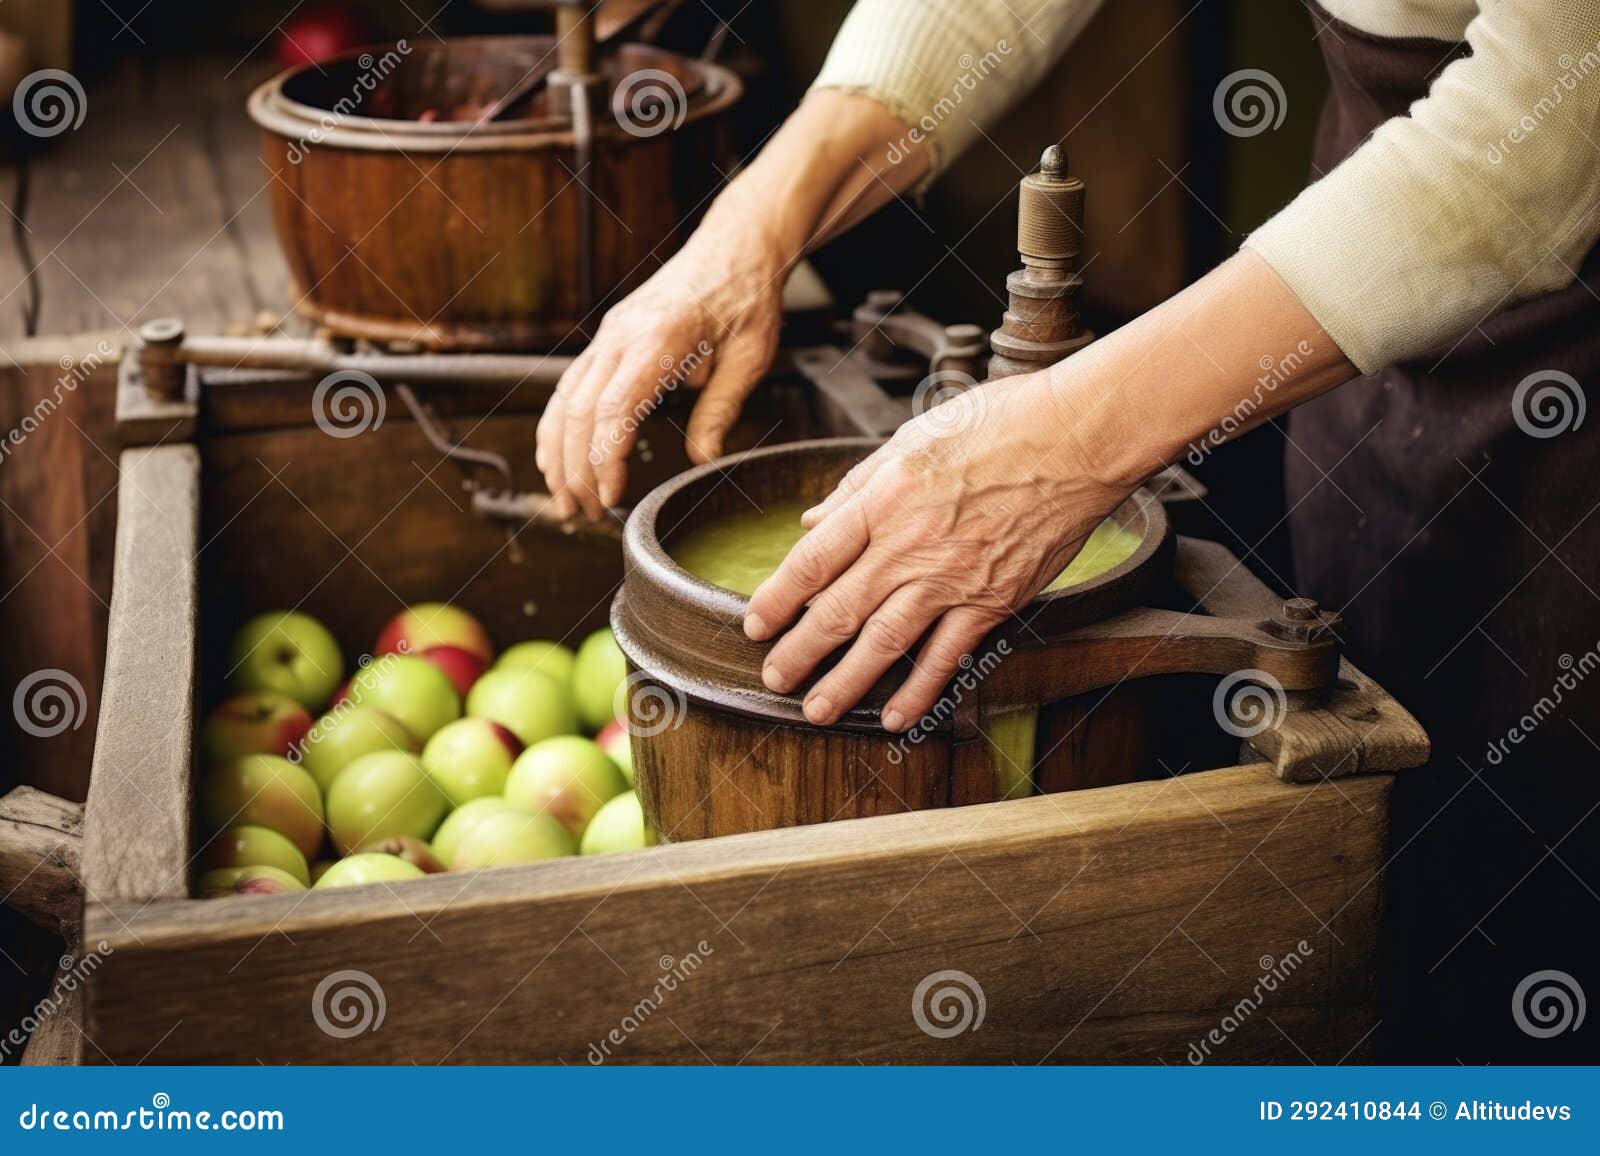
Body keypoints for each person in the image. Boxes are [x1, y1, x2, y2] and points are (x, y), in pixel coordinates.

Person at [539, 2, 1600, 1059]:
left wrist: (1067, 444)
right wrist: (750, 228)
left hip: (1568, 430)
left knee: (1529, 937)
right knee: (1392, 908)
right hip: (1363, 343)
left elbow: (1544, 136)